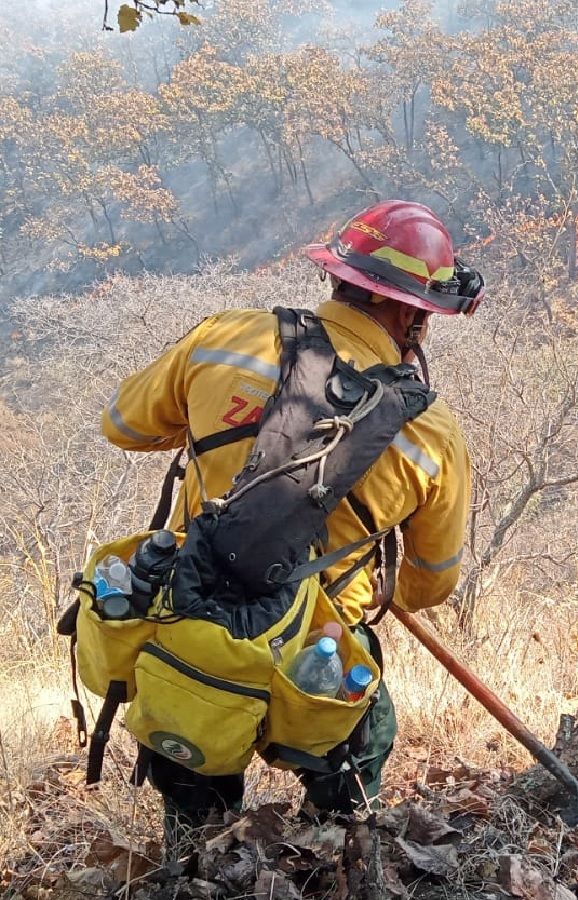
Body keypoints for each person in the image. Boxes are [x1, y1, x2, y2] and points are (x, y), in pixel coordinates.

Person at [100, 200, 481, 837]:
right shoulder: (432, 434)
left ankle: (196, 854)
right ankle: (336, 850)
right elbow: (431, 583)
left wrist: (222, 433)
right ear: (415, 312)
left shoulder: (224, 338)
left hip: (190, 621)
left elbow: (124, 426)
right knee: (361, 753)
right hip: (316, 655)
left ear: (340, 276)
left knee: (193, 800)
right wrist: (355, 578)